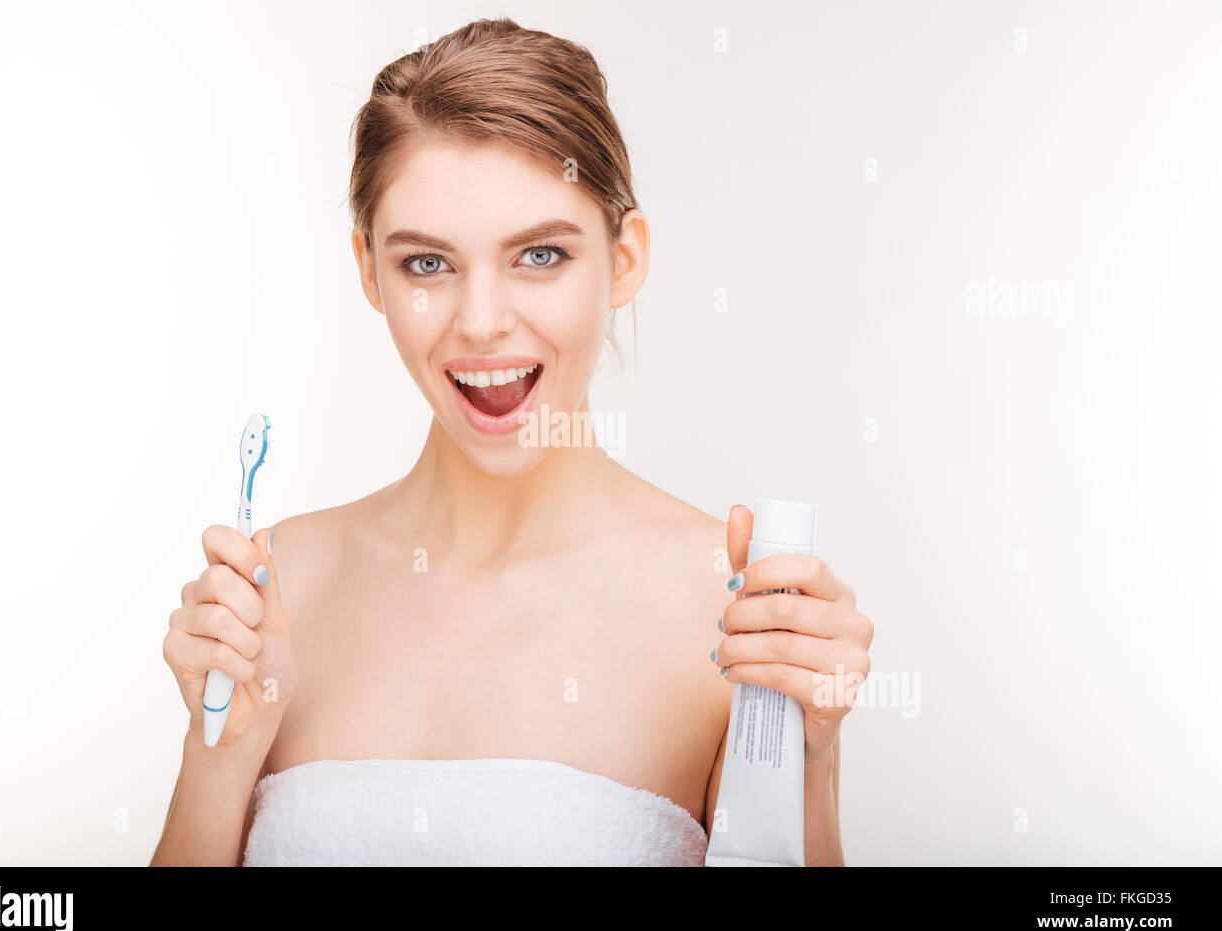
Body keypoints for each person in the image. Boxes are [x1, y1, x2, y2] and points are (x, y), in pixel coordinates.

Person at [151, 16, 872, 866]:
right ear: (368, 269)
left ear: (625, 255)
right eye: (427, 264)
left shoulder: (733, 616)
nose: (482, 323)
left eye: (538, 255)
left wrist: (808, 759)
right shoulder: (273, 594)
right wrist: (221, 755)